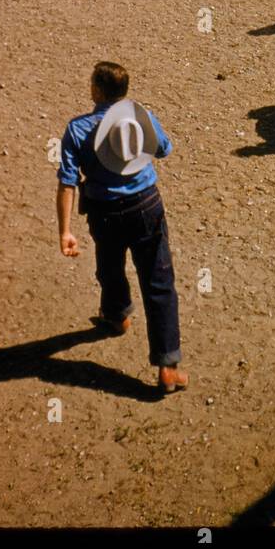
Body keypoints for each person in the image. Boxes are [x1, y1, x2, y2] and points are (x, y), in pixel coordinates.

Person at [56, 60, 188, 395]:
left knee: (110, 266)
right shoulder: (141, 117)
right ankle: (168, 368)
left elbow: (67, 182)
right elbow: (165, 149)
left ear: (96, 90)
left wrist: (65, 231)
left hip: (103, 212)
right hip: (146, 205)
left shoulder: (77, 130)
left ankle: (117, 315)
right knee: (159, 281)